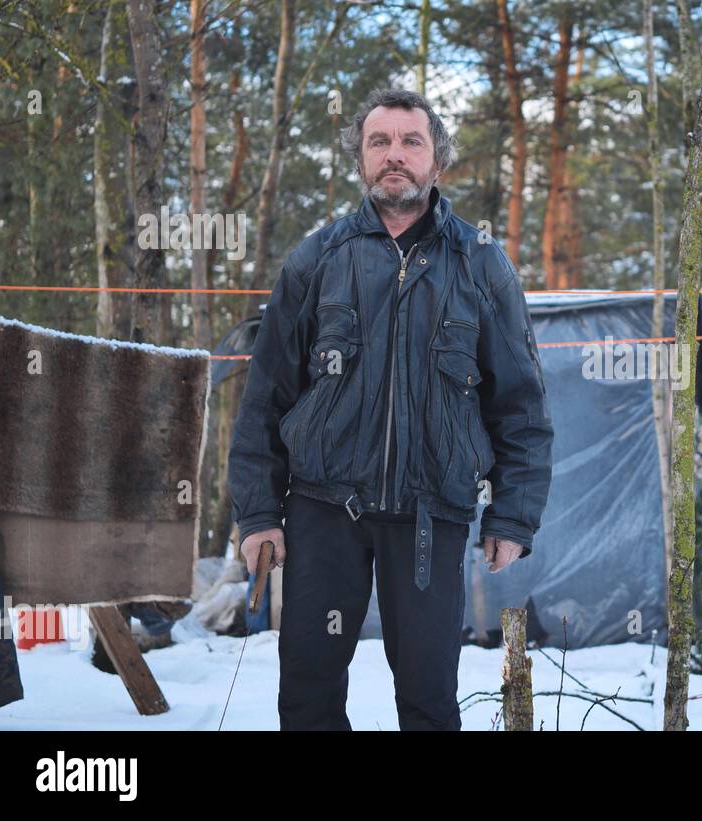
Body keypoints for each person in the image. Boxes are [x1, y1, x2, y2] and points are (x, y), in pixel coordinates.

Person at [228, 89, 554, 730]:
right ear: (360, 157)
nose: (395, 156)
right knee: (307, 694)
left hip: (433, 515)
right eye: (380, 142)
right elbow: (265, 398)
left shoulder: (481, 264)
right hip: (324, 511)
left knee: (430, 700)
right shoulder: (315, 260)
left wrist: (514, 515)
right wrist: (259, 513)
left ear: (438, 160)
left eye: (412, 142)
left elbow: (520, 404)